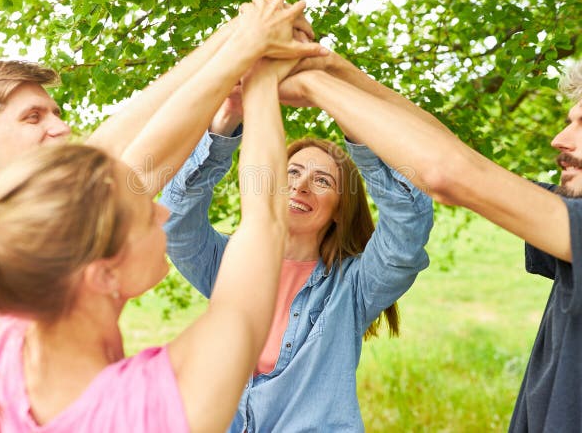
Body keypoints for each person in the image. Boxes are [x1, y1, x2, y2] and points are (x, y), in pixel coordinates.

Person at [0, 0, 311, 432]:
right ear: (102, 273)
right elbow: (265, 218)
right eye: (146, 215)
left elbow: (120, 166)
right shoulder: (156, 407)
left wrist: (243, 46)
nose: (163, 214)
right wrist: (262, 77)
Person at [280, 55, 582, 432]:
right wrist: (333, 67)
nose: (561, 139)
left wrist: (312, 85)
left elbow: (450, 174)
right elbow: (453, 152)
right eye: (570, 122)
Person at [159, 64, 434, 430]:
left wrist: (354, 121)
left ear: (340, 211)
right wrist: (228, 118)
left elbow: (408, 228)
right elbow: (174, 222)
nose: (301, 186)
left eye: (322, 180)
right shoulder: (230, 266)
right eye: (291, 172)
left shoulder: (353, 288)